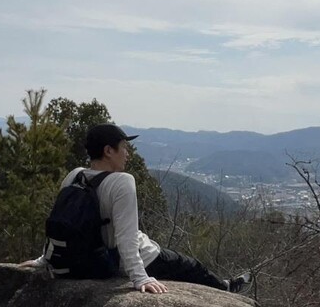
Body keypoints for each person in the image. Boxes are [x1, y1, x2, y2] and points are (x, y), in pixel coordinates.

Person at [41, 123, 250, 296]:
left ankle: (225, 286)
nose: (128, 154)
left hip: (80, 258)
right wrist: (140, 277)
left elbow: (61, 222)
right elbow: (127, 236)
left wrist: (45, 258)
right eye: (123, 147)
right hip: (124, 259)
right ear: (108, 151)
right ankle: (226, 288)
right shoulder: (121, 182)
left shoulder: (75, 175)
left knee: (187, 265)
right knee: (190, 266)